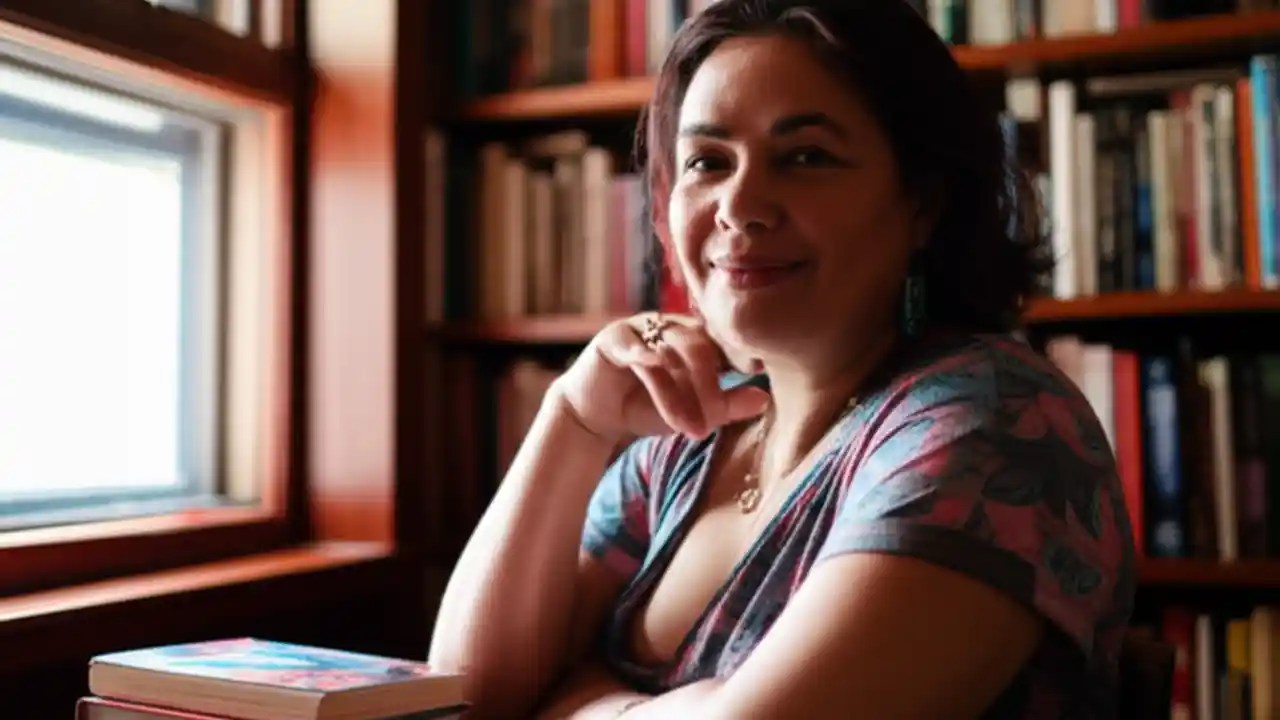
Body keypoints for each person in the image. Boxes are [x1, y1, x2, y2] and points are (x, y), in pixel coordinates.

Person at [428, 0, 1136, 717]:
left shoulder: (996, 422)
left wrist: (578, 699)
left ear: (923, 203)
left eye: (805, 158)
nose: (740, 205)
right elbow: (465, 696)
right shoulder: (683, 444)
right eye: (707, 161)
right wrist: (572, 421)